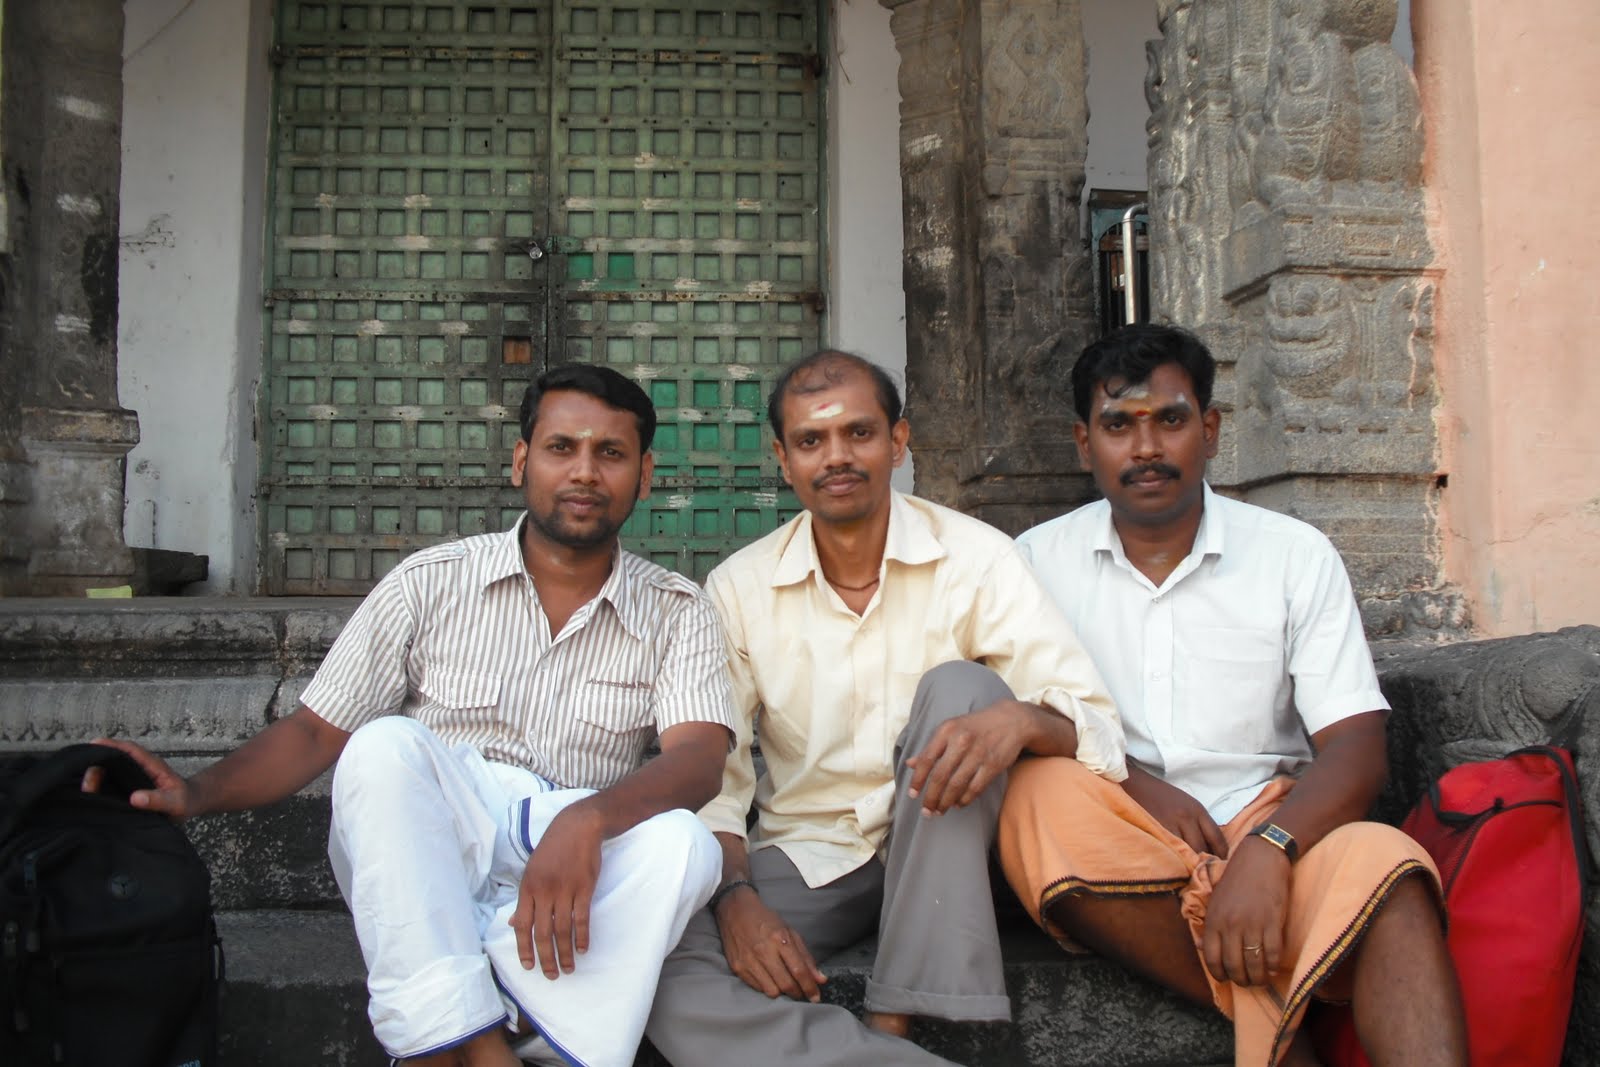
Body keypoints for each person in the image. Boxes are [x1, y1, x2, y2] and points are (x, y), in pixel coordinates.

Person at [89, 365, 735, 1067]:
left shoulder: (676, 608)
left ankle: (454, 1012)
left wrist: (590, 820)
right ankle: (479, 1044)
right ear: (522, 459)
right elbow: (315, 731)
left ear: (644, 475)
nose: (584, 472)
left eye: (610, 453)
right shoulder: (430, 581)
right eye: (560, 448)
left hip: (575, 855)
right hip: (432, 852)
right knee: (384, 746)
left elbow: (698, 757)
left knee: (687, 847)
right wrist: (196, 791)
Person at [996, 324, 1467, 1066]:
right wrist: (1137, 785)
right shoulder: (1032, 563)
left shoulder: (1290, 554)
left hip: (1268, 821)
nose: (1146, 448)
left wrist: (1269, 852)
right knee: (1034, 796)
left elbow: (1355, 744)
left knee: (1393, 867)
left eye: (1171, 420)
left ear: (1209, 430)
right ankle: (1283, 1038)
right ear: (1085, 444)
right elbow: (1033, 726)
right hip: (1116, 821)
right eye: (1119, 425)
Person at [645, 350, 1125, 1066]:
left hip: (957, 853)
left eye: (860, 434)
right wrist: (735, 895)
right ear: (782, 458)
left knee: (966, 688)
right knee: (656, 964)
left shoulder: (976, 558)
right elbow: (718, 773)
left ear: (899, 442)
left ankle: (895, 1012)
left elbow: (1091, 721)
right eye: (811, 440)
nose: (837, 457)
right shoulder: (738, 588)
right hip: (811, 855)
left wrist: (1022, 719)